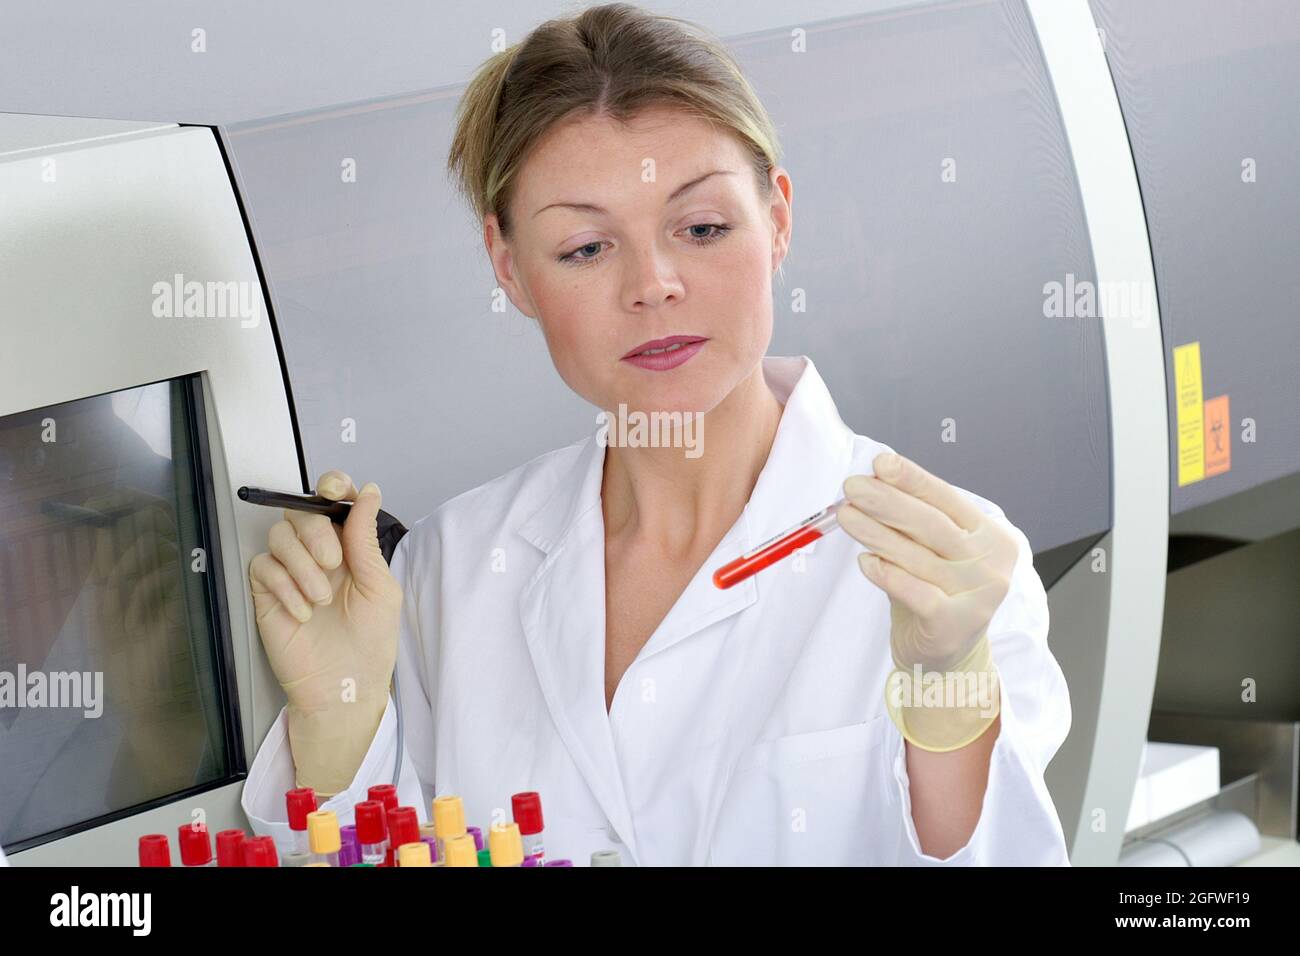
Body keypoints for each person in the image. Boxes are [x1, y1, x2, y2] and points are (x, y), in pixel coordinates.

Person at [241, 2, 1071, 865]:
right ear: (510, 269)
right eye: (586, 249)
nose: (655, 284)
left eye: (702, 228)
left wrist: (948, 686)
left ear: (778, 218)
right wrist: (339, 719)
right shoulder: (451, 569)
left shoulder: (951, 572)